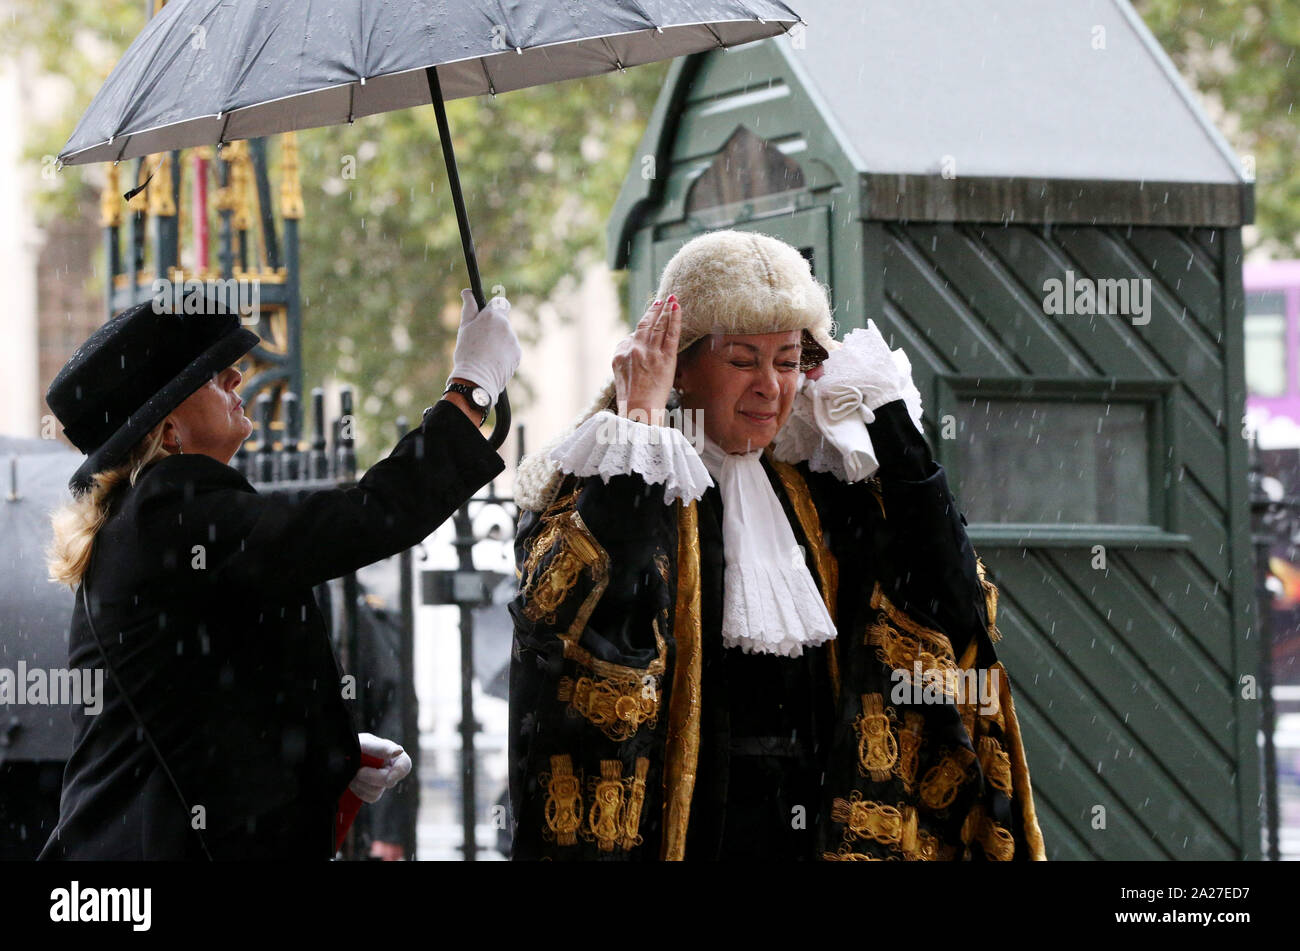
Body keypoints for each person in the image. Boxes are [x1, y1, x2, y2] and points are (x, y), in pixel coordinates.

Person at [507, 230, 1046, 861]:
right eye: (742, 361)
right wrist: (641, 425)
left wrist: (891, 421)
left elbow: (953, 606)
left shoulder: (820, 490)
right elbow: (590, 644)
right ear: (679, 365)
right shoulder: (614, 479)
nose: (770, 386)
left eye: (788, 361)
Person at [38, 289, 519, 860]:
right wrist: (470, 389)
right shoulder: (171, 511)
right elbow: (364, 518)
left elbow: (207, 700)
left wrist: (333, 752)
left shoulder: (153, 520)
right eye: (216, 376)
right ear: (169, 432)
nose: (238, 378)